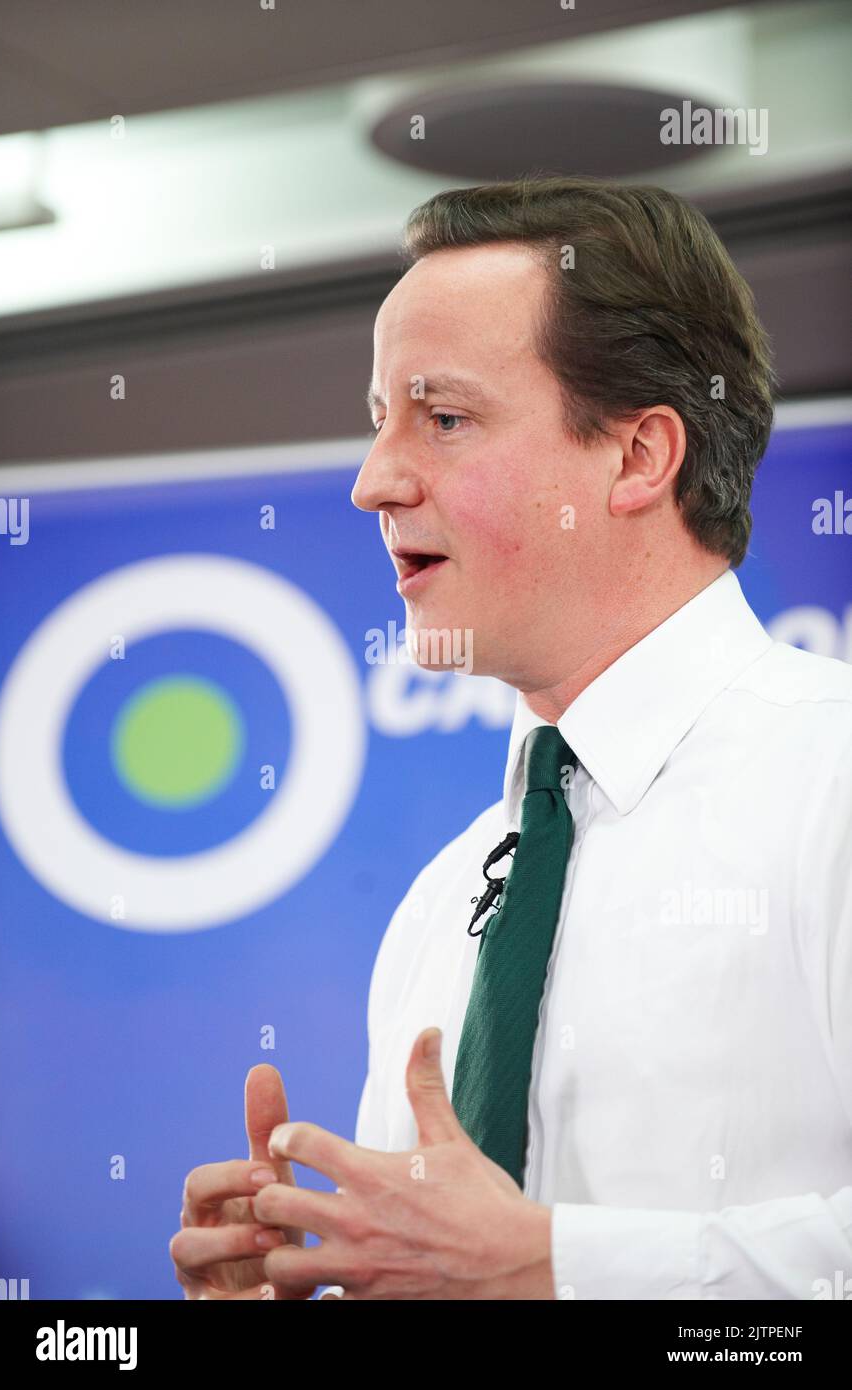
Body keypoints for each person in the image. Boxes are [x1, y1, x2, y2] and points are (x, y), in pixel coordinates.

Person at [170, 176, 852, 1300]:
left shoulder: (832, 782)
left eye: (442, 418)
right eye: (377, 419)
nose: (372, 481)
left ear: (636, 458)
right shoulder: (442, 905)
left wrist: (553, 1268)